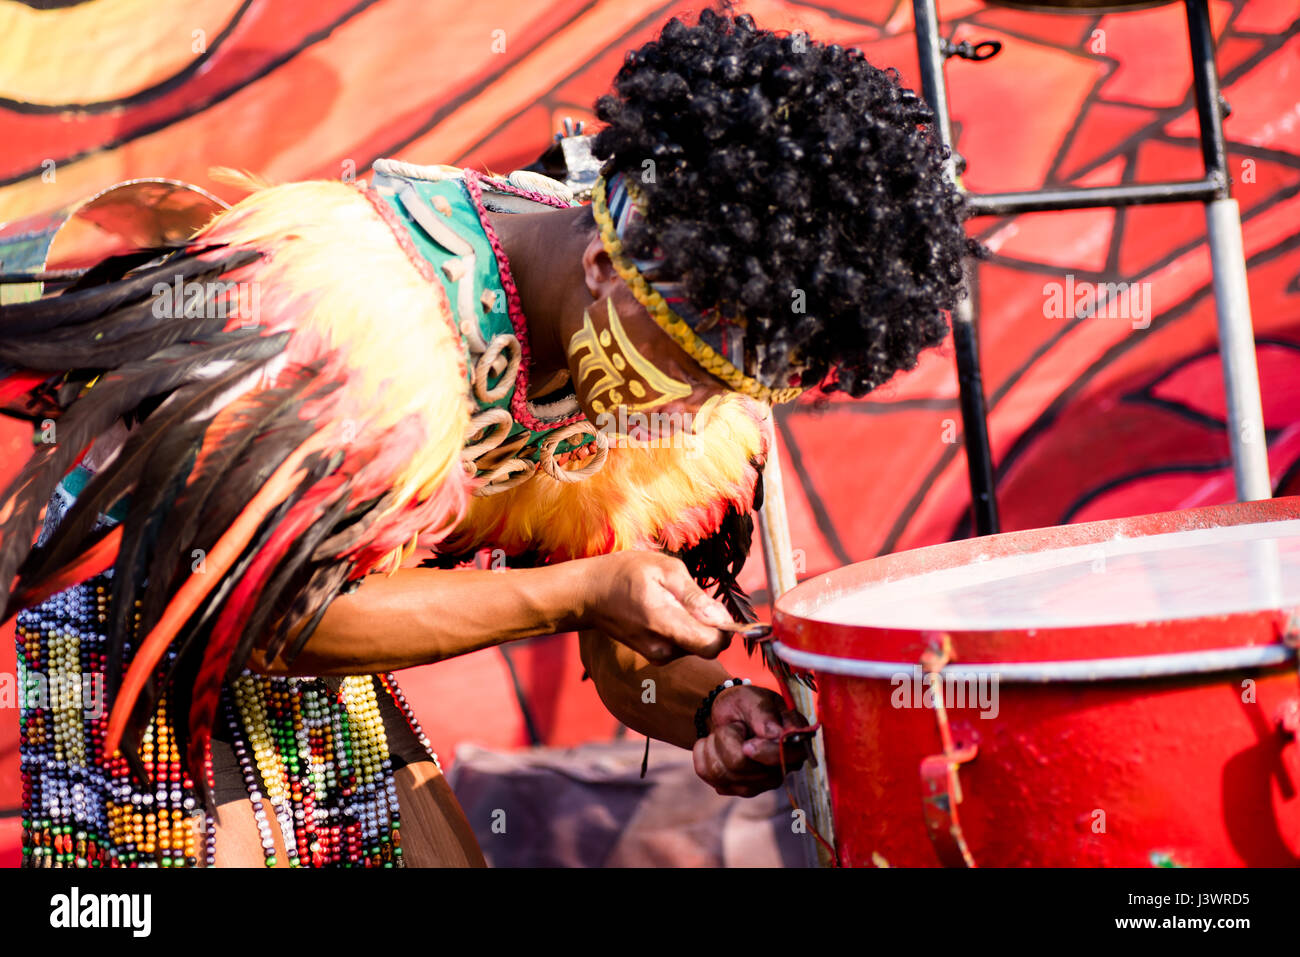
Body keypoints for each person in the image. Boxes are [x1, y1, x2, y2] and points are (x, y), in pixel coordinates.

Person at [3, 10, 972, 867]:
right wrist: (580, 591)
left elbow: (626, 648)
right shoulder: (353, 312)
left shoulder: (674, 378)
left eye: (728, 387)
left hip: (319, 645)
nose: (693, 406)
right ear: (603, 264)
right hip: (151, 638)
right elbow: (278, 623)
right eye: (691, 369)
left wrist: (714, 709)